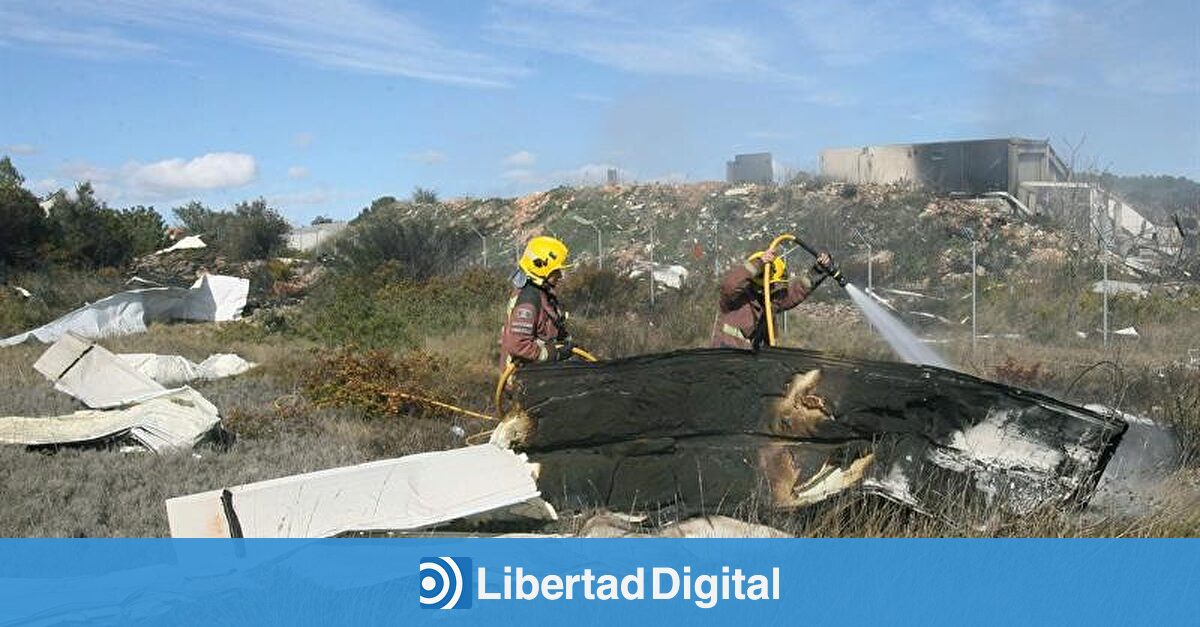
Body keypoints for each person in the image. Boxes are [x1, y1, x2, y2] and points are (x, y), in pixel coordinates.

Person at [711, 246, 834, 350]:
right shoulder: (733, 299)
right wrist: (759, 263)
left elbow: (796, 291)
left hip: (752, 367)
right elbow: (730, 285)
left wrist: (818, 270)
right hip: (725, 362)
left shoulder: (771, 301)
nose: (774, 289)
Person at [501, 235, 576, 365]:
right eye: (556, 271)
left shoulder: (543, 294)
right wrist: (555, 354)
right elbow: (518, 347)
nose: (560, 275)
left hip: (541, 375)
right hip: (523, 379)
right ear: (541, 267)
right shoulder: (528, 299)